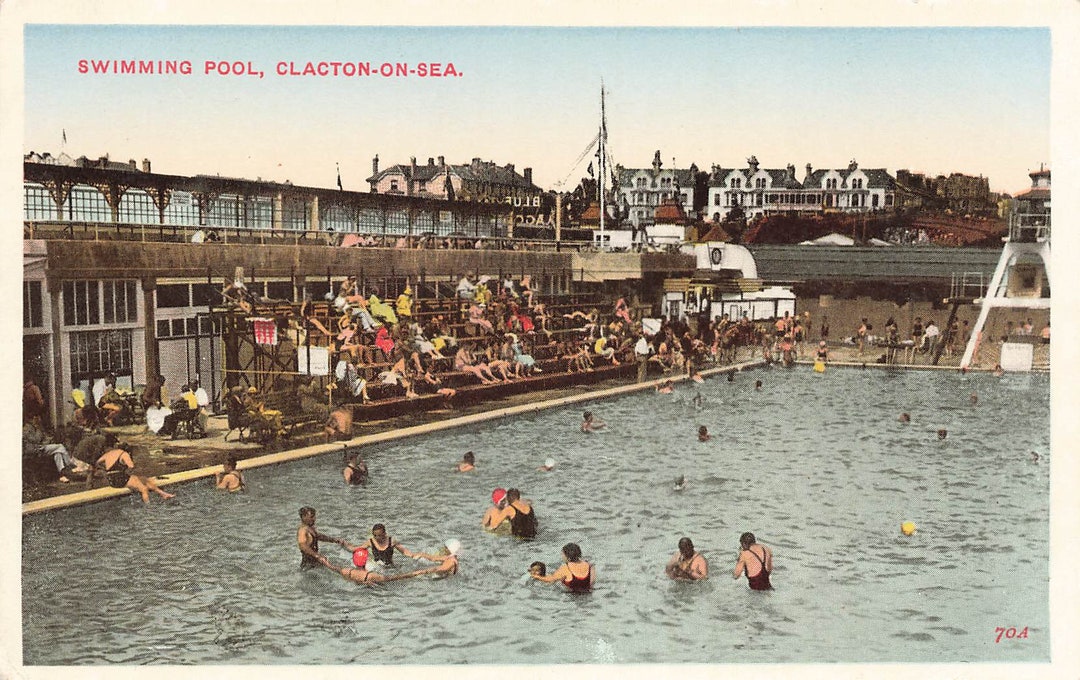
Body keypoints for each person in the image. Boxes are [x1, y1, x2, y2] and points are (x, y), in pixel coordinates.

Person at [93, 445, 176, 503]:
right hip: (119, 479)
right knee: (144, 489)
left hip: (111, 479)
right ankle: (148, 509)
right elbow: (131, 466)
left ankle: (163, 494)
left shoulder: (108, 454)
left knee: (144, 479)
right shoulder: (124, 454)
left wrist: (104, 470)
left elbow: (97, 463)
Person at [326, 547, 438, 585]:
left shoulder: (346, 571)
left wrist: (323, 561)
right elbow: (395, 578)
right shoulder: (371, 576)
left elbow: (333, 567)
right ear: (365, 561)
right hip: (371, 590)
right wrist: (417, 573)